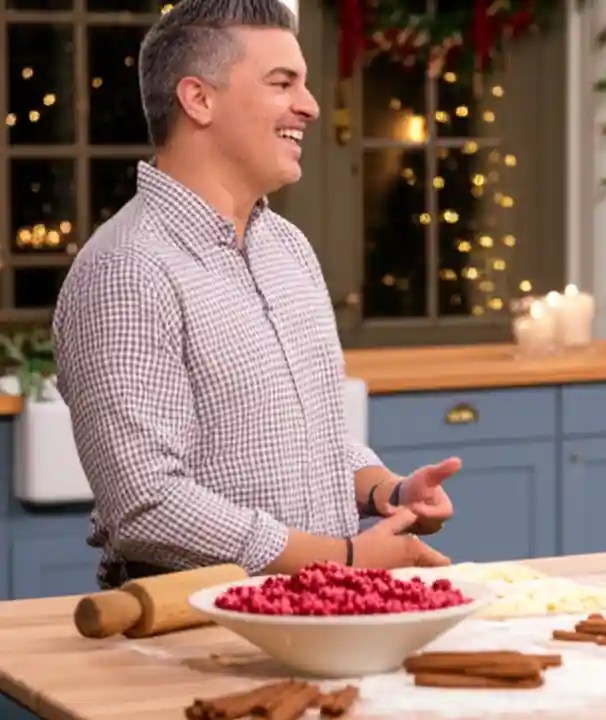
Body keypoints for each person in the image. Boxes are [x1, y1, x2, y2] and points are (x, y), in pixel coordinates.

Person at [53, 0, 457, 589]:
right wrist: (343, 557)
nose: (311, 105)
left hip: (317, 609)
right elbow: (147, 504)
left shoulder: (287, 247)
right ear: (199, 99)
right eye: (281, 83)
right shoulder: (126, 269)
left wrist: (388, 490)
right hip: (194, 635)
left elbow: (300, 436)